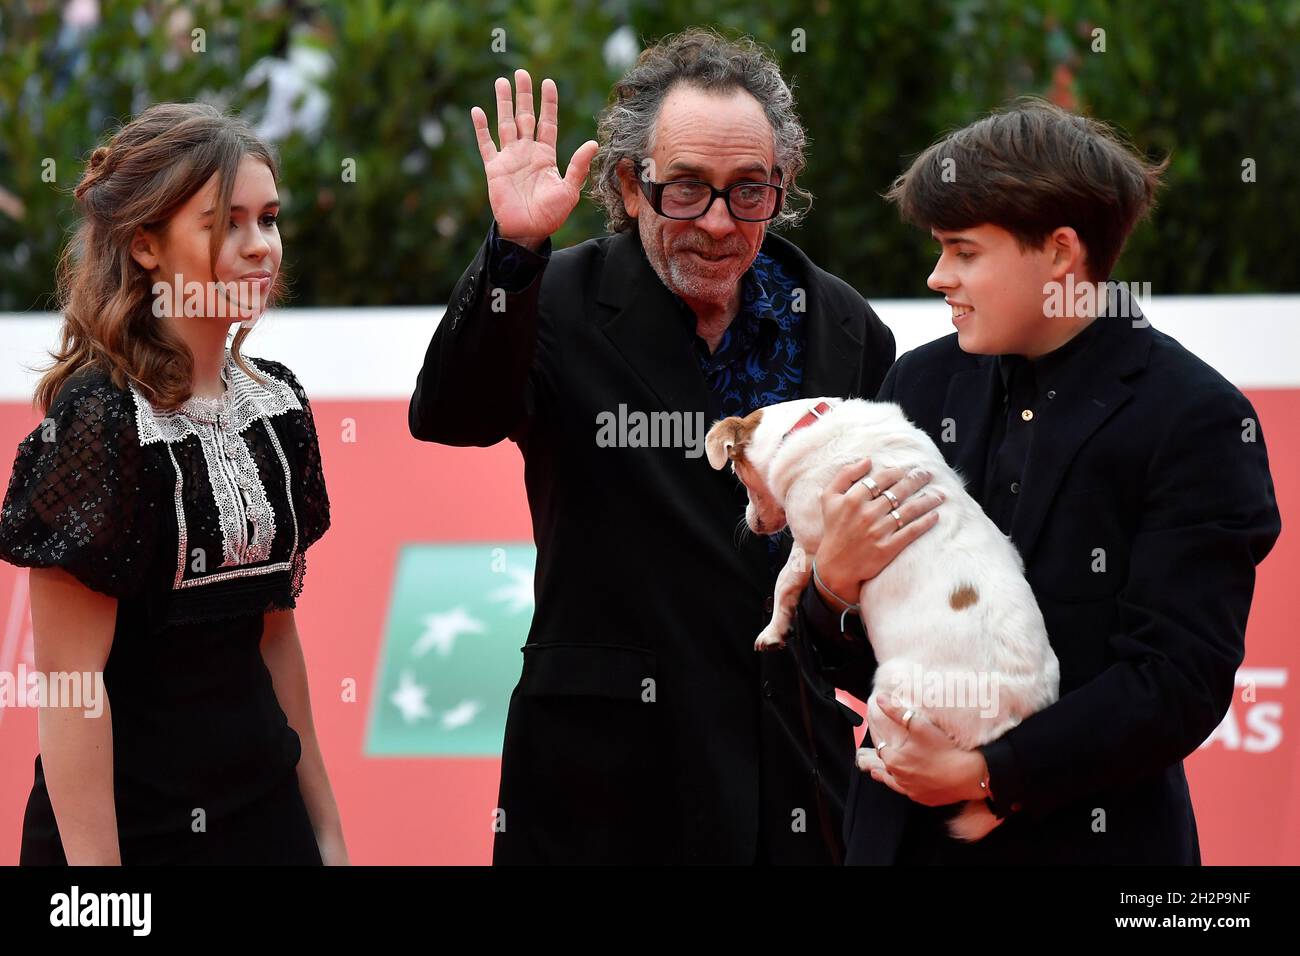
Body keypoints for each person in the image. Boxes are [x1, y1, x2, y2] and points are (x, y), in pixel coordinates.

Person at [409, 29, 939, 864]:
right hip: (607, 790)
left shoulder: (841, 325)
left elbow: (875, 569)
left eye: (748, 191)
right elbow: (452, 413)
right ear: (631, 182)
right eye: (687, 190)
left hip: (795, 780)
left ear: (783, 184)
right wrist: (513, 255)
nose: (719, 223)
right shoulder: (558, 300)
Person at [793, 99, 1282, 864]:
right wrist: (831, 589)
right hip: (899, 844)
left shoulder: (1196, 418)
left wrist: (988, 773)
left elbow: (1176, 682)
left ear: (1059, 252)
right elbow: (853, 659)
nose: (937, 276)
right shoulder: (918, 387)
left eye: (962, 251)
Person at [0, 102, 346, 865]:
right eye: (226, 223)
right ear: (147, 245)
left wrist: (325, 830)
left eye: (270, 219)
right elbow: (69, 687)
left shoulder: (278, 405)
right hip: (132, 839)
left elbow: (275, 634)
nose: (261, 247)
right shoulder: (99, 424)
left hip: (266, 822)